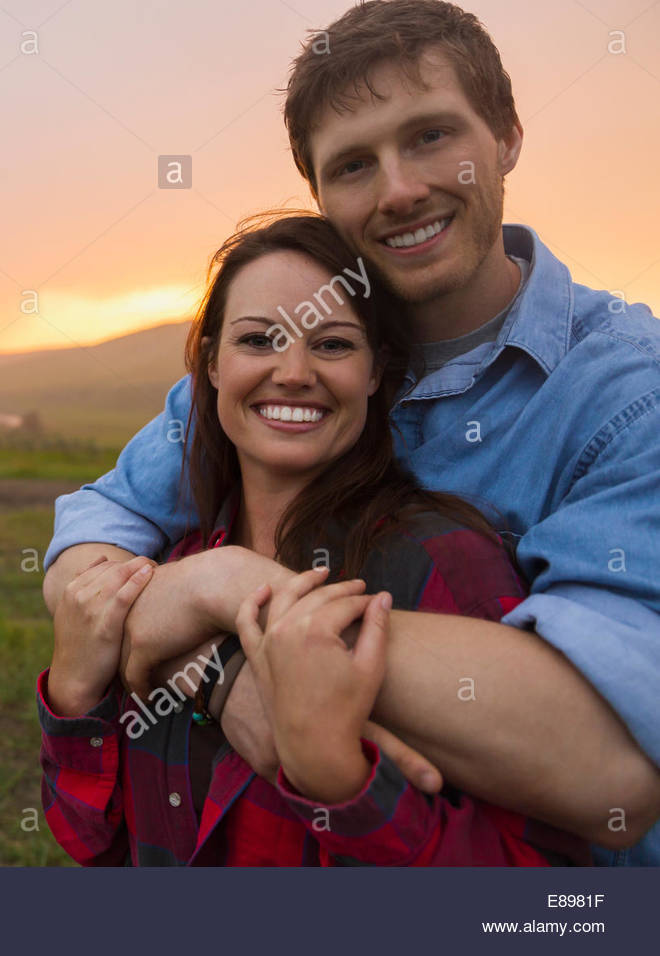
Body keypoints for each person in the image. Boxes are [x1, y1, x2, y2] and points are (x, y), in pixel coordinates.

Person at [42, 0, 660, 865]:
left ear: (508, 136)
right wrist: (222, 667)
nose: (401, 189)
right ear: (321, 194)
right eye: (355, 164)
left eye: (433, 135)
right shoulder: (288, 370)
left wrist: (228, 599)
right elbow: (91, 537)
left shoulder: (630, 397)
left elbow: (611, 771)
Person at [39, 212, 587, 865]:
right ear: (211, 366)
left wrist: (341, 783)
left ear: (377, 372)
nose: (294, 371)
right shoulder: (168, 564)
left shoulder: (440, 563)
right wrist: (74, 693)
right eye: (259, 339)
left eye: (331, 344)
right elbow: (91, 841)